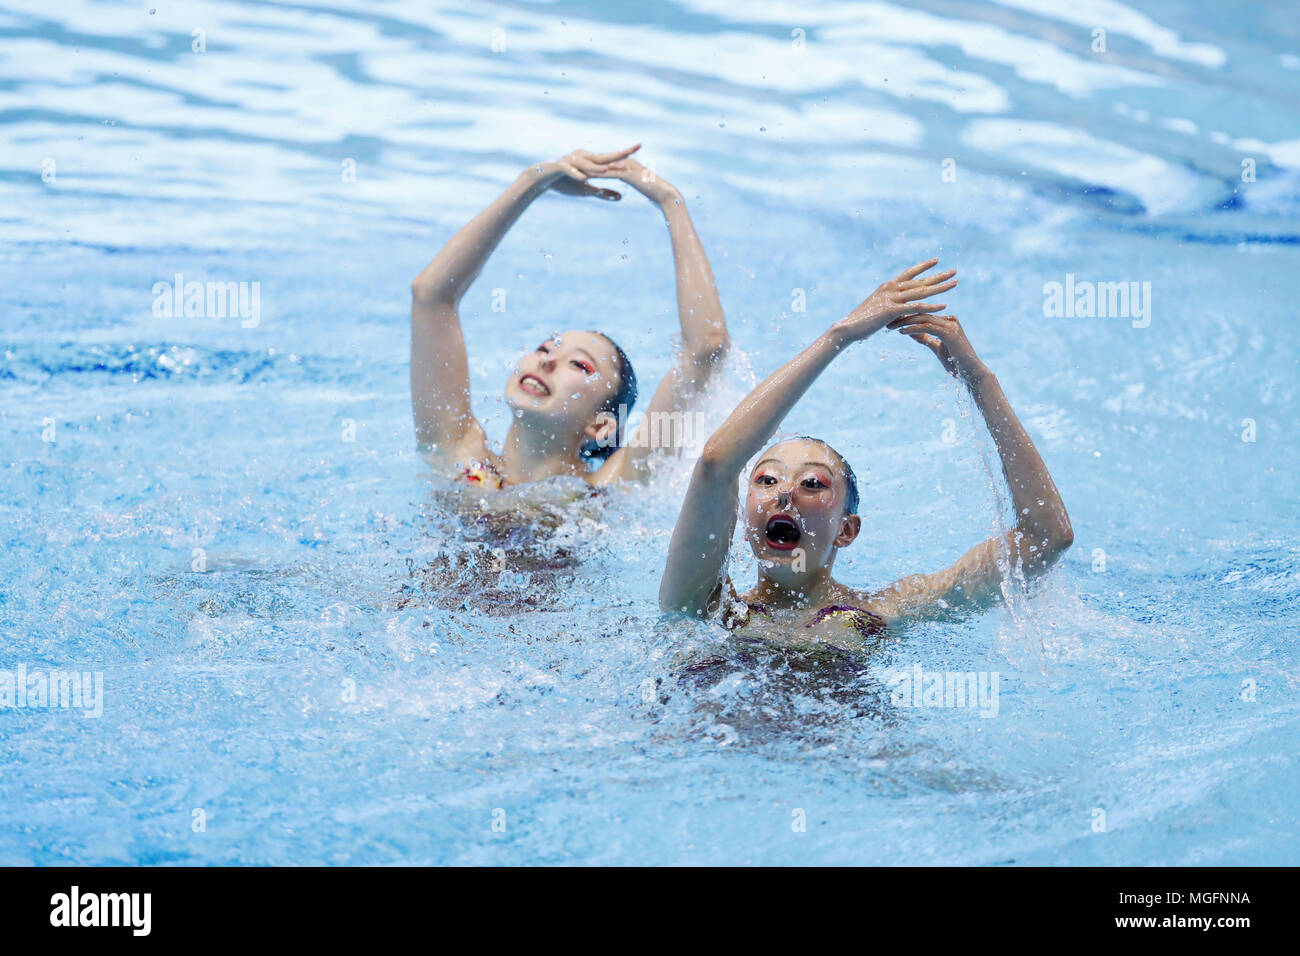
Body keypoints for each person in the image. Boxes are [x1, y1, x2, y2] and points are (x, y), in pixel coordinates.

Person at [659, 259, 1073, 651]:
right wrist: (839, 336)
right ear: (743, 516)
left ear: (847, 530)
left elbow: (1046, 538)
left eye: (812, 483)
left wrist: (981, 382)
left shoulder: (886, 611)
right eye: (766, 479)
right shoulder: (709, 603)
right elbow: (716, 464)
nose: (784, 493)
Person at [409, 144, 729, 492]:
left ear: (602, 425)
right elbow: (431, 296)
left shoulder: (609, 488)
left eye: (579, 365)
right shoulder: (459, 454)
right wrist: (532, 183)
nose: (546, 362)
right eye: (545, 349)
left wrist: (672, 202)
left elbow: (706, 349)